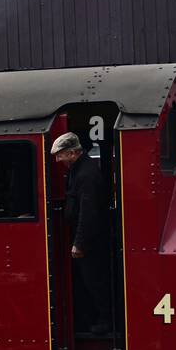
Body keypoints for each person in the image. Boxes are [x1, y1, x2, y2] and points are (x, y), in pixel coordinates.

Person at [51, 132, 113, 335]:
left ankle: (106, 321)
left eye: (60, 155)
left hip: (92, 242)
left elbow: (88, 212)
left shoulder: (86, 174)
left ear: (73, 152)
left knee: (95, 280)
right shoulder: (78, 169)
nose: (58, 159)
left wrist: (79, 243)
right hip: (89, 239)